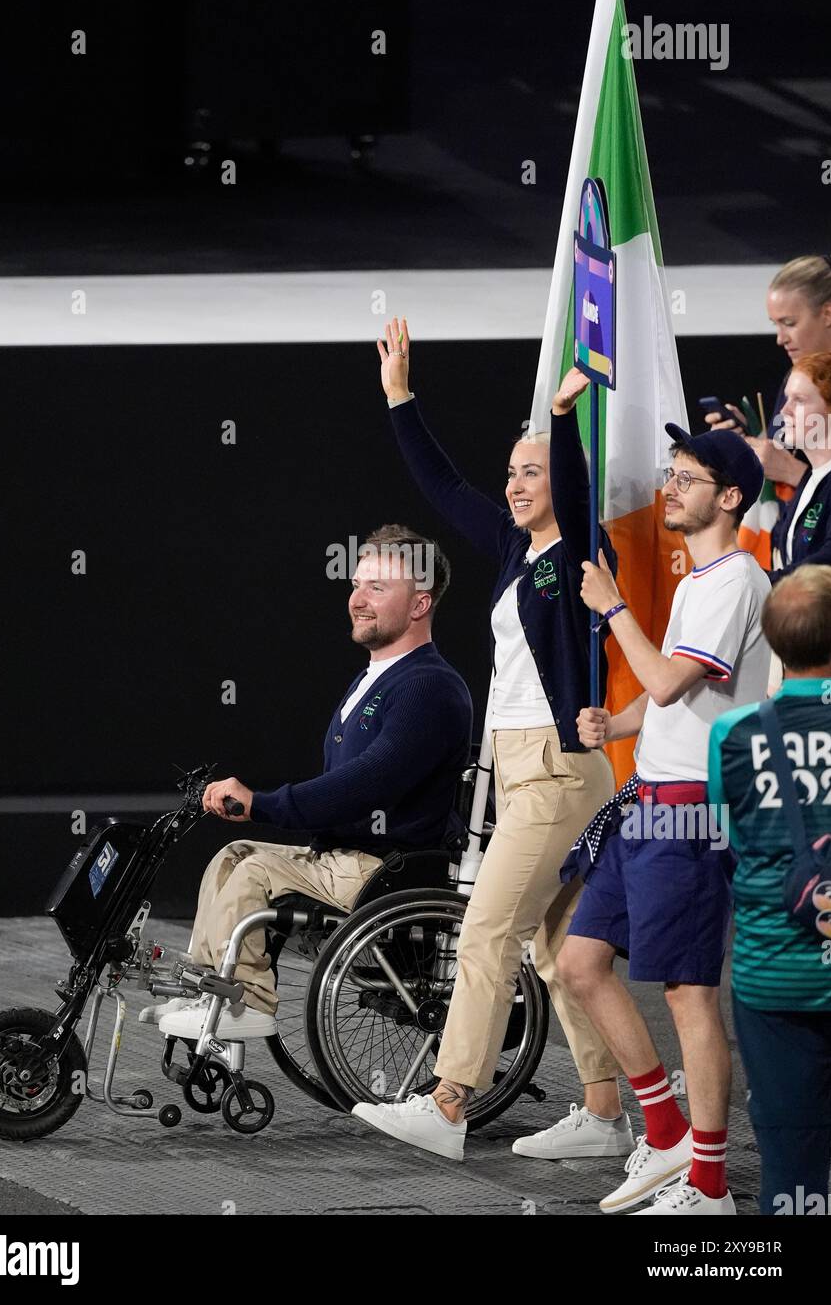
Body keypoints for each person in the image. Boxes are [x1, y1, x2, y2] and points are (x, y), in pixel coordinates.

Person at [353, 317, 628, 1165]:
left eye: (531, 472)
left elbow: (578, 494)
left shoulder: (575, 551)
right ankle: (611, 1112)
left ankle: (448, 1103)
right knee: (558, 951)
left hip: (557, 767)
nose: (514, 485)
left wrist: (569, 421)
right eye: (511, 471)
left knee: (484, 934)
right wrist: (402, 397)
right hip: (518, 770)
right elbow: (441, 486)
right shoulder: (516, 549)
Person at [139, 524, 473, 1041]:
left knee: (253, 874)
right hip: (343, 857)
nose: (358, 600)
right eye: (356, 585)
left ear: (419, 604)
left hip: (387, 868)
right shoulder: (375, 679)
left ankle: (245, 1003)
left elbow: (366, 784)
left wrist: (264, 804)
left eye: (377, 588)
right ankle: (207, 992)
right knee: (231, 858)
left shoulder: (430, 687)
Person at [557, 423, 770, 1215]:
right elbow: (666, 686)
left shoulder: (739, 581)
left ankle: (710, 1186)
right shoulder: (695, 582)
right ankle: (669, 1129)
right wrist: (615, 726)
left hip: (690, 811)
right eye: (672, 473)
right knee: (580, 964)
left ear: (731, 497)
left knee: (688, 995)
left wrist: (613, 609)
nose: (671, 488)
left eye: (689, 478)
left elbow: (673, 683)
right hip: (647, 798)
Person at [709, 565, 831, 1216]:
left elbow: (729, 836)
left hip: (770, 976)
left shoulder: (732, 735)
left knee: (790, 1164)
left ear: (775, 643)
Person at [706, 254, 831, 490]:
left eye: (790, 323)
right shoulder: (797, 378)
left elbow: (796, 468)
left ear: (828, 314)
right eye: (776, 324)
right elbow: (785, 449)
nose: (780, 338)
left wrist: (793, 473)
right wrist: (750, 435)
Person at [769, 351, 831, 581]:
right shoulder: (812, 479)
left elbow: (827, 560)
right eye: (787, 398)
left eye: (800, 400)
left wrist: (759, 583)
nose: (784, 410)